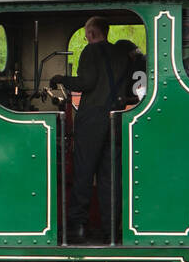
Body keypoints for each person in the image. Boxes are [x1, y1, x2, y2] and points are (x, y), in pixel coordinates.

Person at [50, 17, 133, 244]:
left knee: (84, 173)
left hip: (92, 118)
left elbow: (87, 82)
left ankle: (77, 227)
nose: (86, 37)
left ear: (92, 33)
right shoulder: (120, 55)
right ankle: (111, 229)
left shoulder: (90, 52)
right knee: (109, 177)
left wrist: (62, 79)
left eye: (87, 34)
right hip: (115, 118)